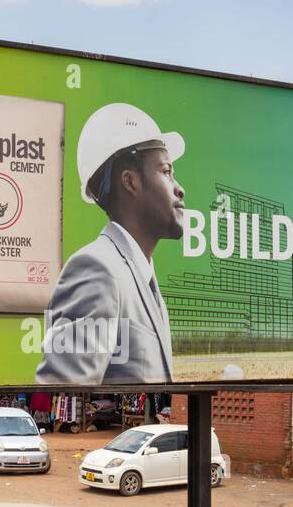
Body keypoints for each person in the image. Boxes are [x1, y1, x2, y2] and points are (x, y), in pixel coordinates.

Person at [36, 102, 185, 386]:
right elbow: (64, 387)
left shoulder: (143, 280)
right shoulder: (96, 269)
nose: (179, 188)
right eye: (166, 171)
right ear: (130, 182)